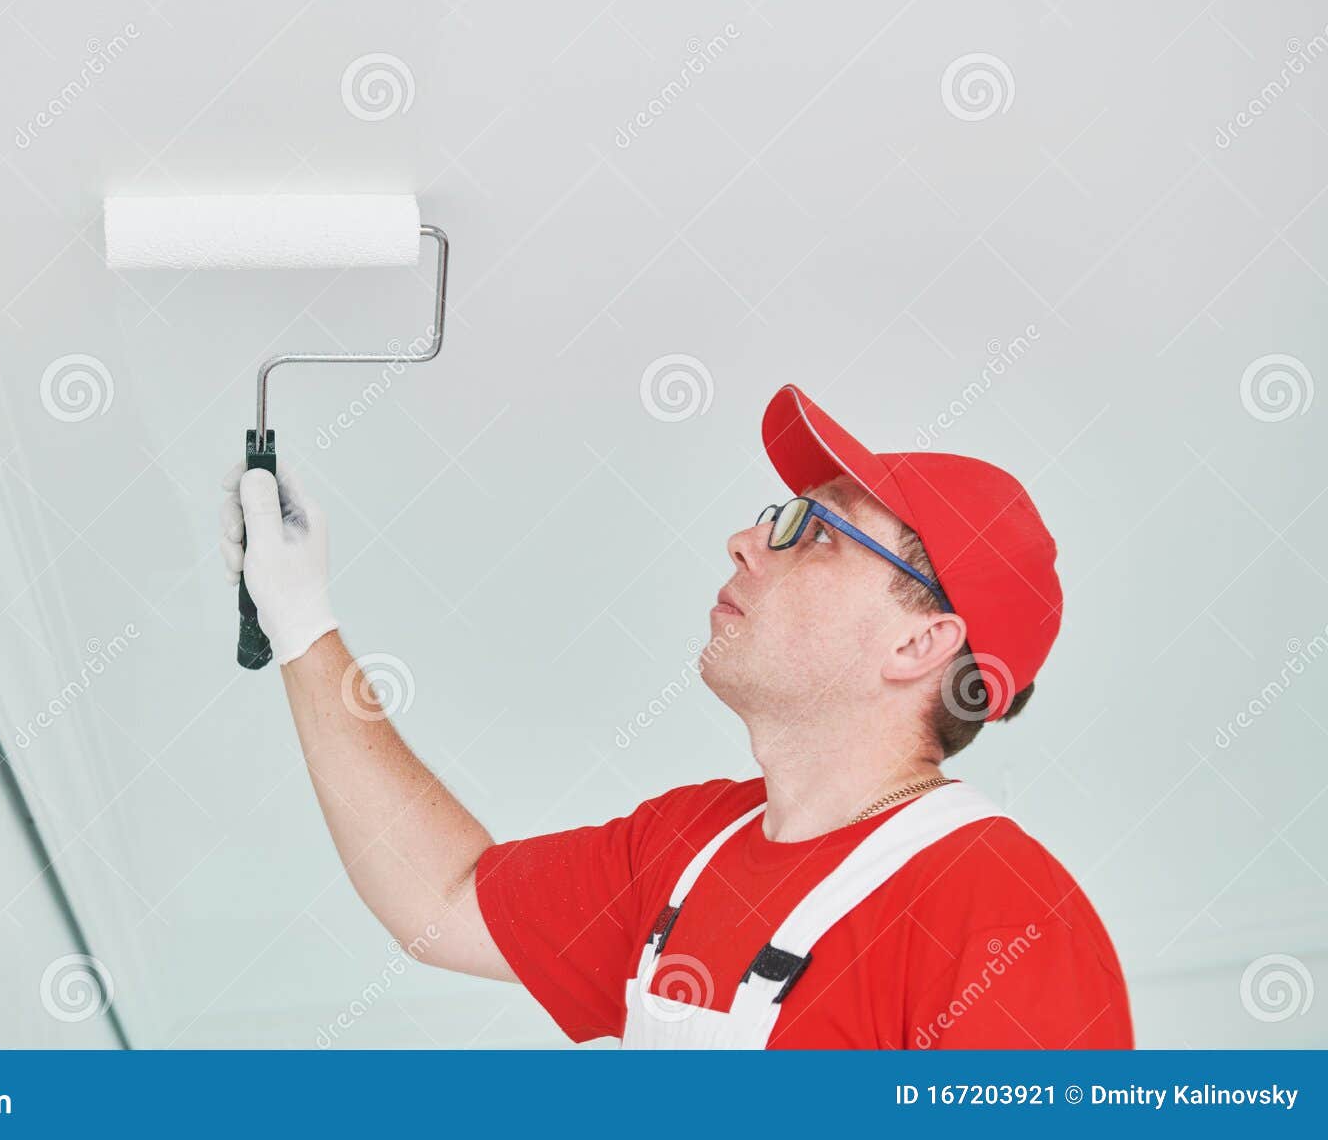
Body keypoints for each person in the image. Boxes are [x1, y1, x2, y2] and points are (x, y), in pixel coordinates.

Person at [219, 384, 1132, 1049]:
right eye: (782, 515)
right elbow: (444, 898)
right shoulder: (690, 843)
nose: (744, 540)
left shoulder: (1007, 920)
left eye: (817, 533)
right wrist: (300, 618)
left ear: (920, 643)